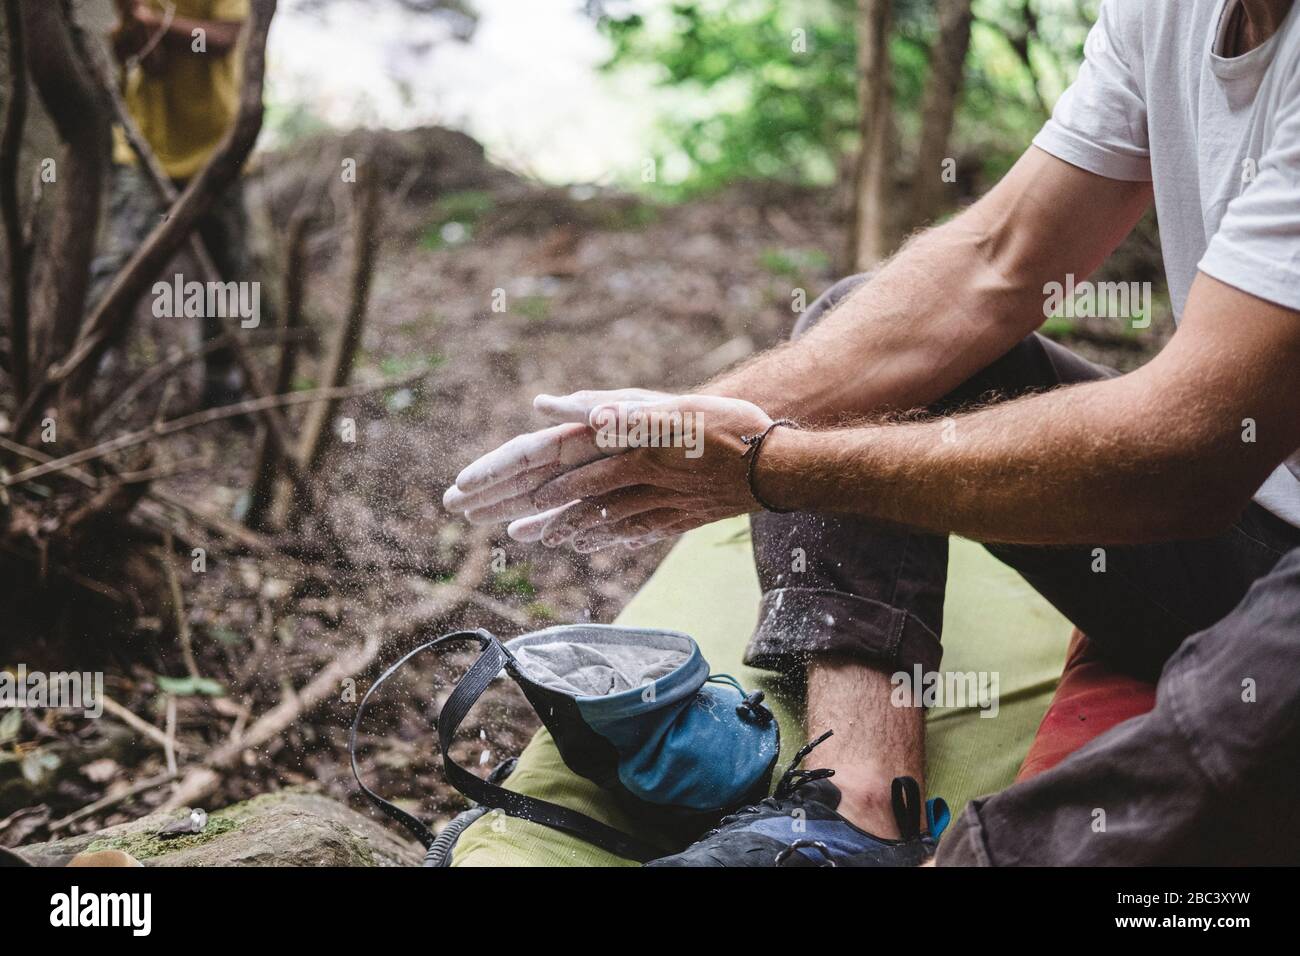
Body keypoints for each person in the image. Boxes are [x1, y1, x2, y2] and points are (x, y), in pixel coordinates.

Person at [444, 0, 1300, 866]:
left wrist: (776, 469)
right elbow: (998, 261)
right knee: (859, 334)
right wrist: (686, 426)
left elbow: (1193, 448)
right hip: (1235, 543)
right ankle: (853, 817)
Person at [90, 0, 252, 407]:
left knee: (227, 267)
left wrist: (154, 22)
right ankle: (89, 371)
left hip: (218, 148)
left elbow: (225, 38)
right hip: (144, 149)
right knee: (120, 261)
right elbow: (133, 54)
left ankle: (224, 381)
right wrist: (135, 30)